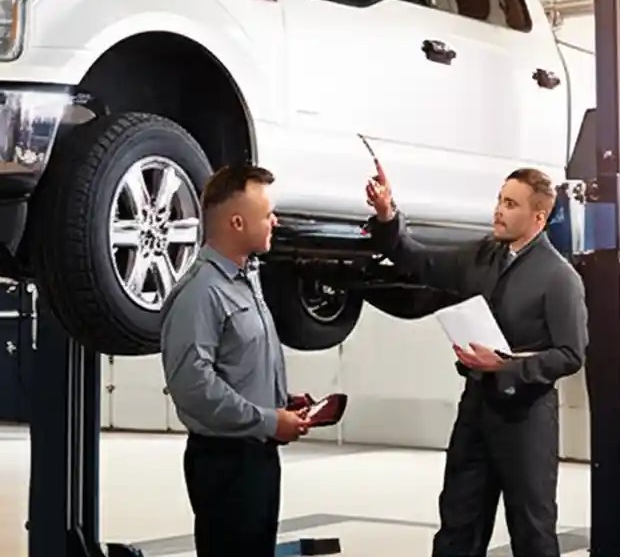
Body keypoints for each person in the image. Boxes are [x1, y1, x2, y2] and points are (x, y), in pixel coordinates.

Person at [365, 164, 588, 557]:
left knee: (532, 531)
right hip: (477, 408)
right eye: (500, 200)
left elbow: (570, 355)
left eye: (511, 204)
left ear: (538, 217)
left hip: (527, 419)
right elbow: (418, 260)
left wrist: (505, 365)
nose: (498, 210)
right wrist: (387, 214)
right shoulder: (482, 255)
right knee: (458, 523)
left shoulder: (559, 277)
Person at [159, 163, 314, 557]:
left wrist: (280, 402)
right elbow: (193, 387)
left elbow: (239, 363)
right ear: (237, 222)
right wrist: (269, 420)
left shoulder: (245, 281)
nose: (275, 221)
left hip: (256, 455)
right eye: (267, 214)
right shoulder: (202, 292)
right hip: (225, 463)